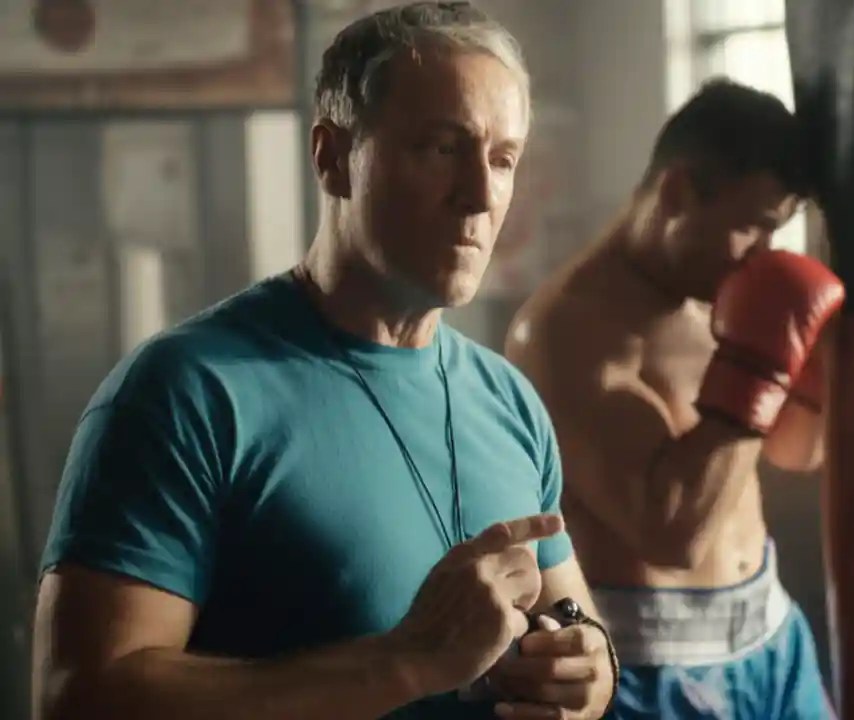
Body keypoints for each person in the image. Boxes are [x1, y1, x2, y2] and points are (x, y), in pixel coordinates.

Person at [32, 4, 616, 719]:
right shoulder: (188, 392)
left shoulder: (508, 399)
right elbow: (78, 698)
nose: (481, 195)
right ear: (333, 157)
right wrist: (401, 662)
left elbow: (579, 630)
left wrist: (589, 674)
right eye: (442, 148)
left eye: (503, 160)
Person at [506, 79, 844, 719]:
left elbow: (796, 452)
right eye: (751, 227)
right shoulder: (565, 333)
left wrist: (819, 362)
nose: (763, 254)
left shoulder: (722, 293)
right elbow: (673, 536)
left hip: (772, 632)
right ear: (678, 193)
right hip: (658, 669)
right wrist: (757, 365)